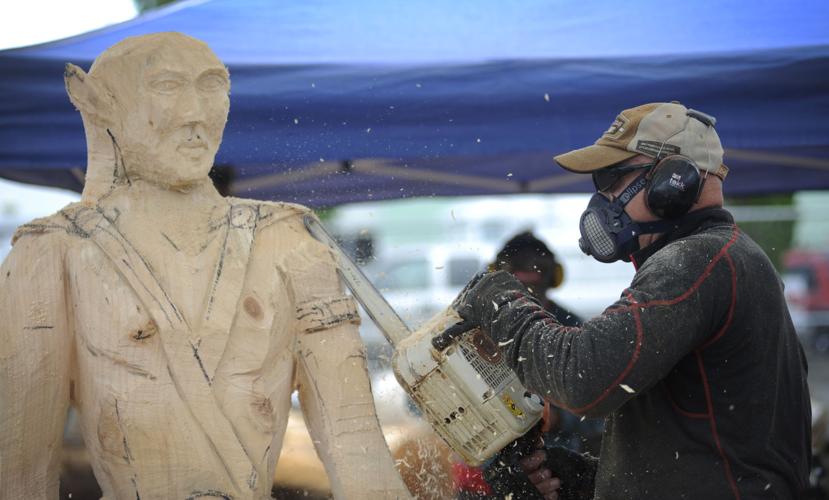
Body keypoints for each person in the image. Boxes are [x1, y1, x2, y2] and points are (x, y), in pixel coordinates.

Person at [0, 33, 410, 499]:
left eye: (213, 86)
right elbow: (19, 475)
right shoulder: (51, 255)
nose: (196, 113)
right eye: (168, 86)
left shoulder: (290, 242)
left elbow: (356, 443)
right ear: (102, 106)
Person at [453, 102, 812, 499]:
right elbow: (701, 453)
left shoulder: (699, 261)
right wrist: (586, 479)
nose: (603, 198)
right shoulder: (724, 260)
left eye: (612, 178)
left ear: (674, 180)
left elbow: (582, 378)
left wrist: (500, 301)